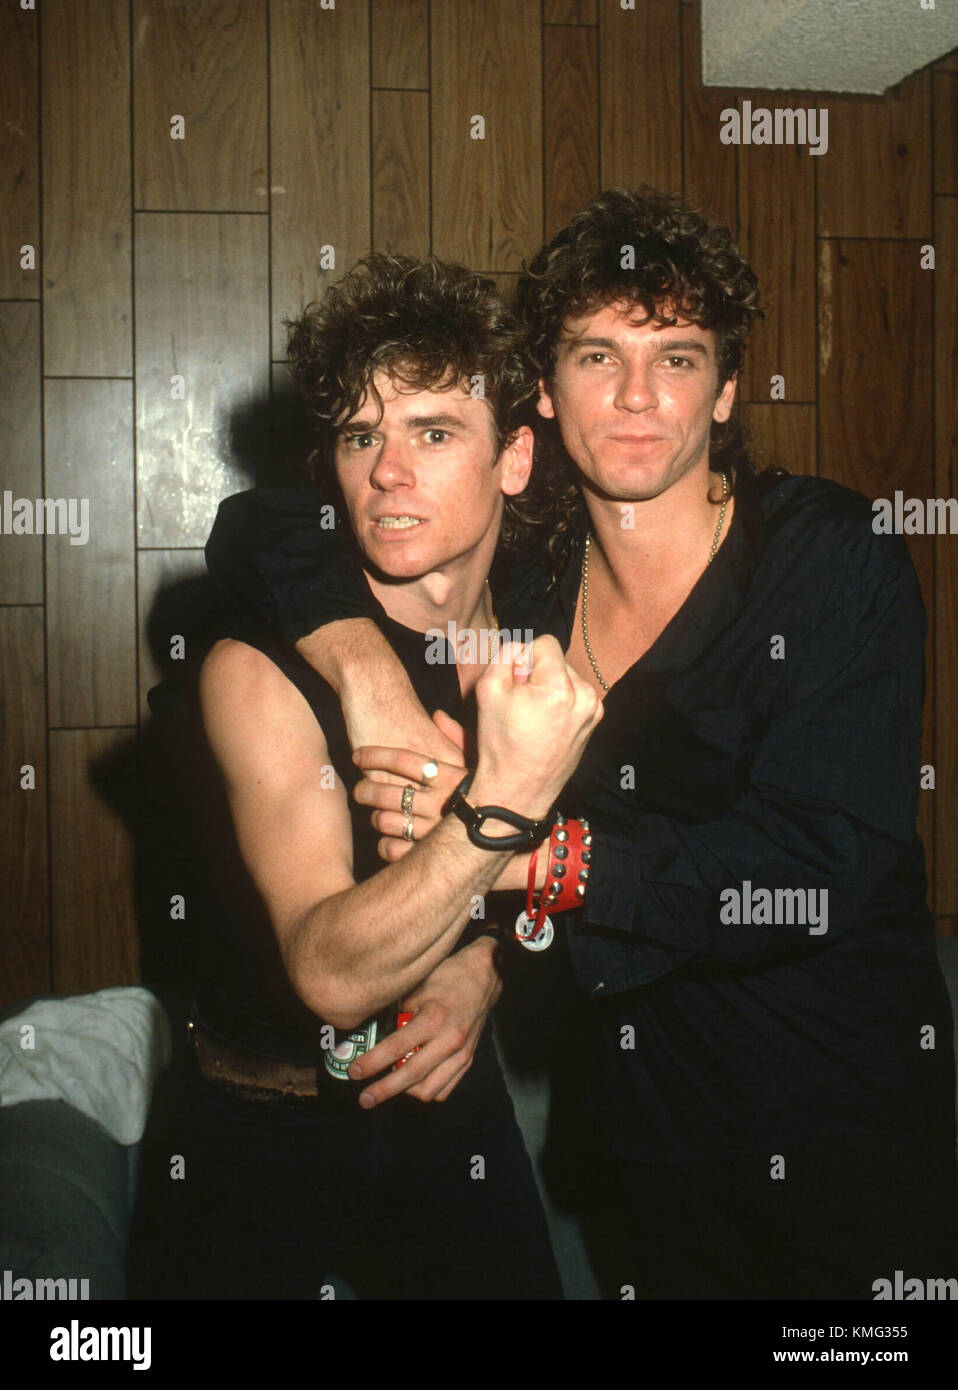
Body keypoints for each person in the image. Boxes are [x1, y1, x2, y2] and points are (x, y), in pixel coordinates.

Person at [205, 188, 958, 1301]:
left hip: (838, 1126)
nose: (640, 397)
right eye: (597, 357)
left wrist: (528, 861)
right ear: (545, 399)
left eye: (680, 356)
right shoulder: (534, 582)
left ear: (729, 386)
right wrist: (479, 954)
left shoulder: (826, 556)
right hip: (640, 1135)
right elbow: (264, 524)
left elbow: (814, 865)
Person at [138, 252, 602, 1301]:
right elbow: (332, 970)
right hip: (255, 1130)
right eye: (360, 435)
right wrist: (497, 809)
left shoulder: (549, 641)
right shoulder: (260, 668)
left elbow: (602, 869)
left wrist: (487, 966)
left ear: (513, 461)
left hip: (444, 1107)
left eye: (433, 432)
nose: (387, 472)